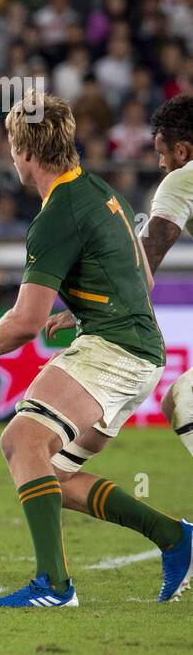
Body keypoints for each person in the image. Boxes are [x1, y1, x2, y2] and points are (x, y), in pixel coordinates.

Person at [0, 92, 191, 607]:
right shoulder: (100, 190)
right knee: (52, 471)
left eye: (13, 148)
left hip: (116, 348)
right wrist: (82, 308)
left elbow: (25, 322)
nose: (12, 158)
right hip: (134, 347)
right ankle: (176, 538)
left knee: (22, 440)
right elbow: (139, 274)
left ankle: (54, 587)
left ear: (24, 151)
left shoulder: (57, 214)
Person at [135, 94, 193, 459]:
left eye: (163, 153)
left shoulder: (182, 179)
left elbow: (143, 261)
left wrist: (85, 306)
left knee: (180, 401)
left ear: (183, 151)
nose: (160, 163)